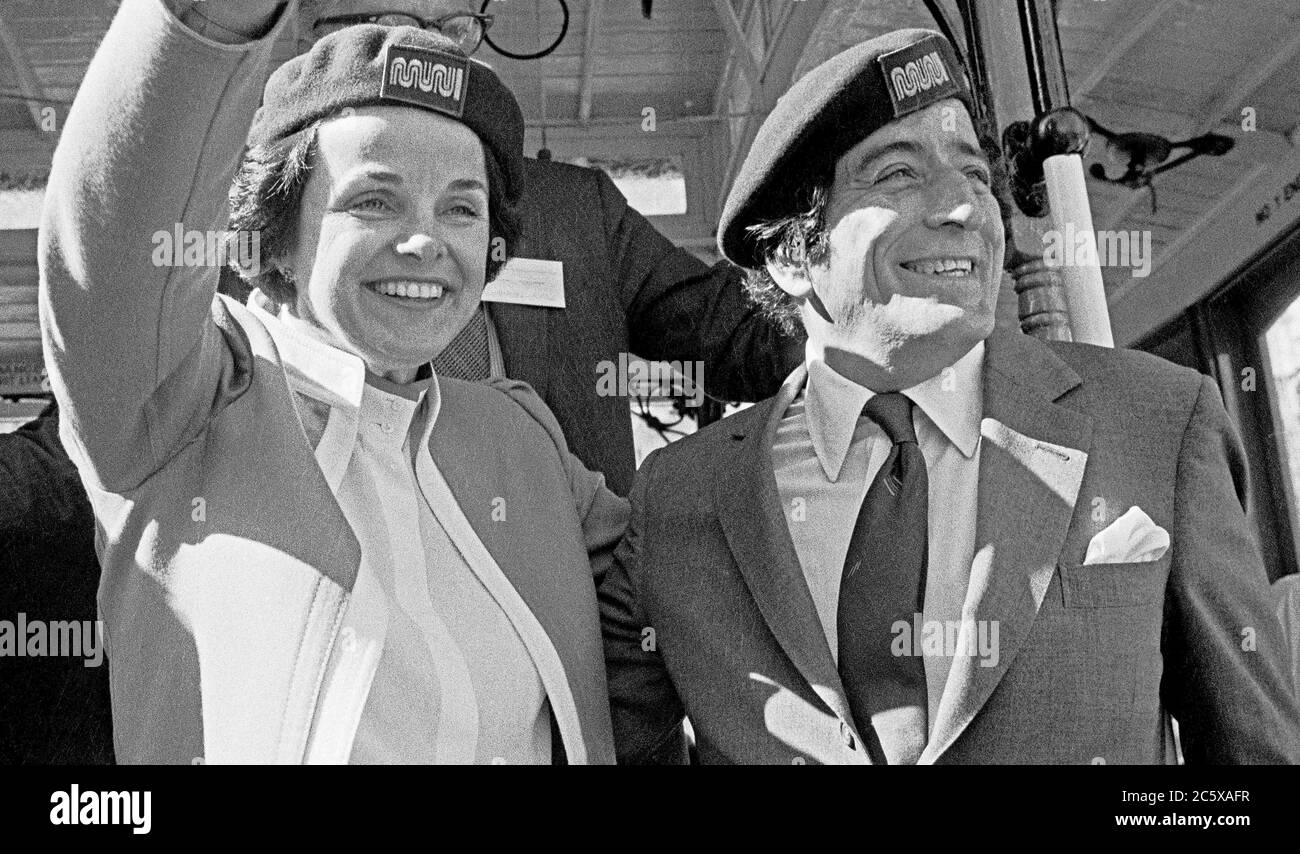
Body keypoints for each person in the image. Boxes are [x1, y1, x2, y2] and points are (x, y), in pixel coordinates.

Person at [599, 29, 1300, 764]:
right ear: (792, 254)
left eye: (973, 173)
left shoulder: (1156, 422)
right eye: (899, 173)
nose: (963, 207)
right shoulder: (679, 501)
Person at [41, 0, 626, 764]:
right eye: (373, 200)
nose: (426, 241)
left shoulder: (522, 437)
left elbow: (692, 559)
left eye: (462, 209)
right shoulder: (178, 404)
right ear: (274, 237)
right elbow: (114, 250)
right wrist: (208, 22)